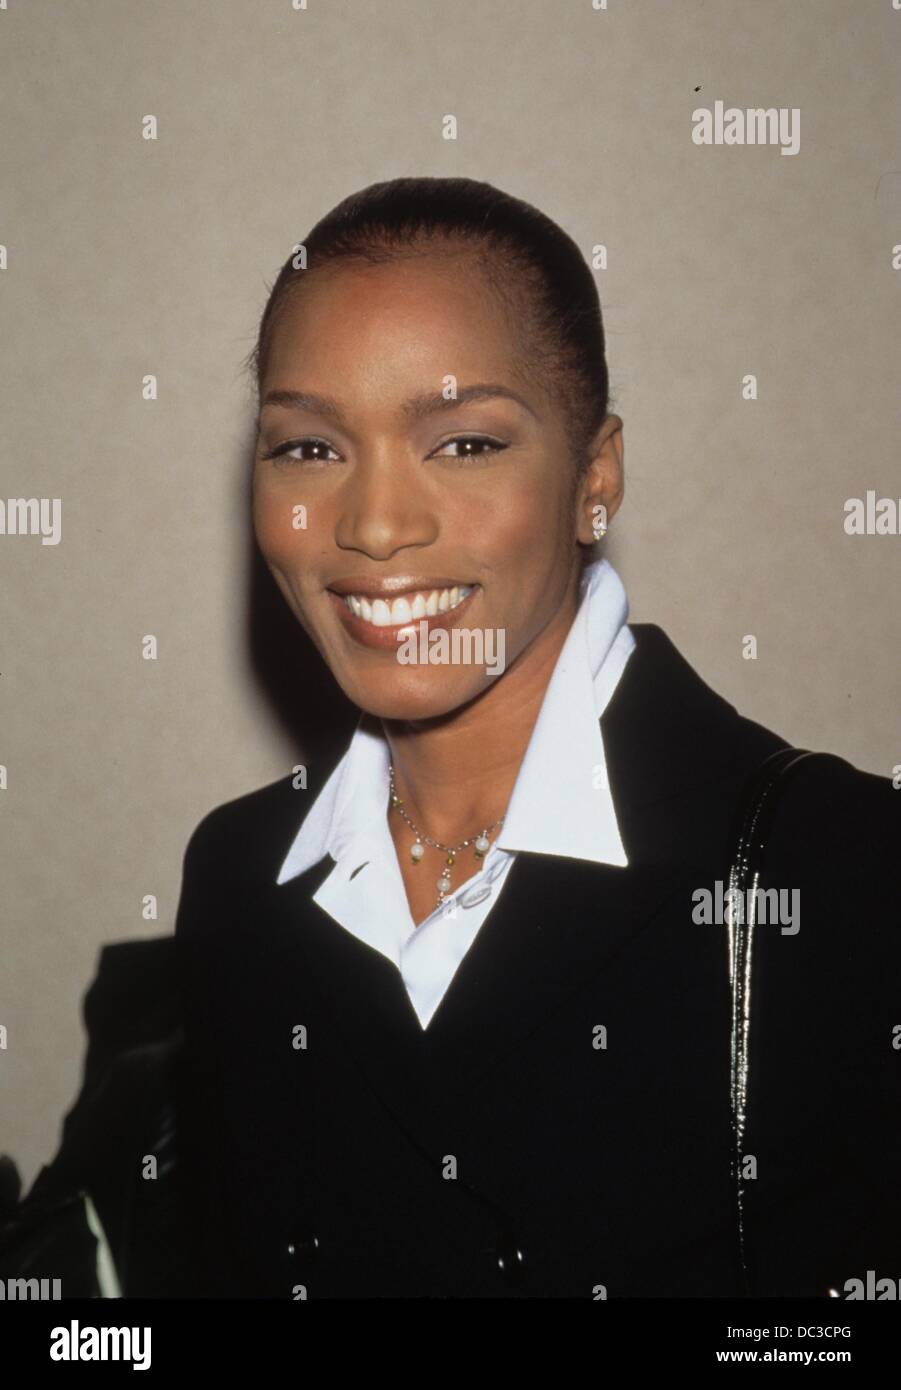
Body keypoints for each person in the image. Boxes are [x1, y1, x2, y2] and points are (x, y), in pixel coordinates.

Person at [10, 176, 900, 1299]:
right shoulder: (238, 878)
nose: (376, 524)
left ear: (595, 476)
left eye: (465, 443)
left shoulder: (847, 874)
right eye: (308, 449)